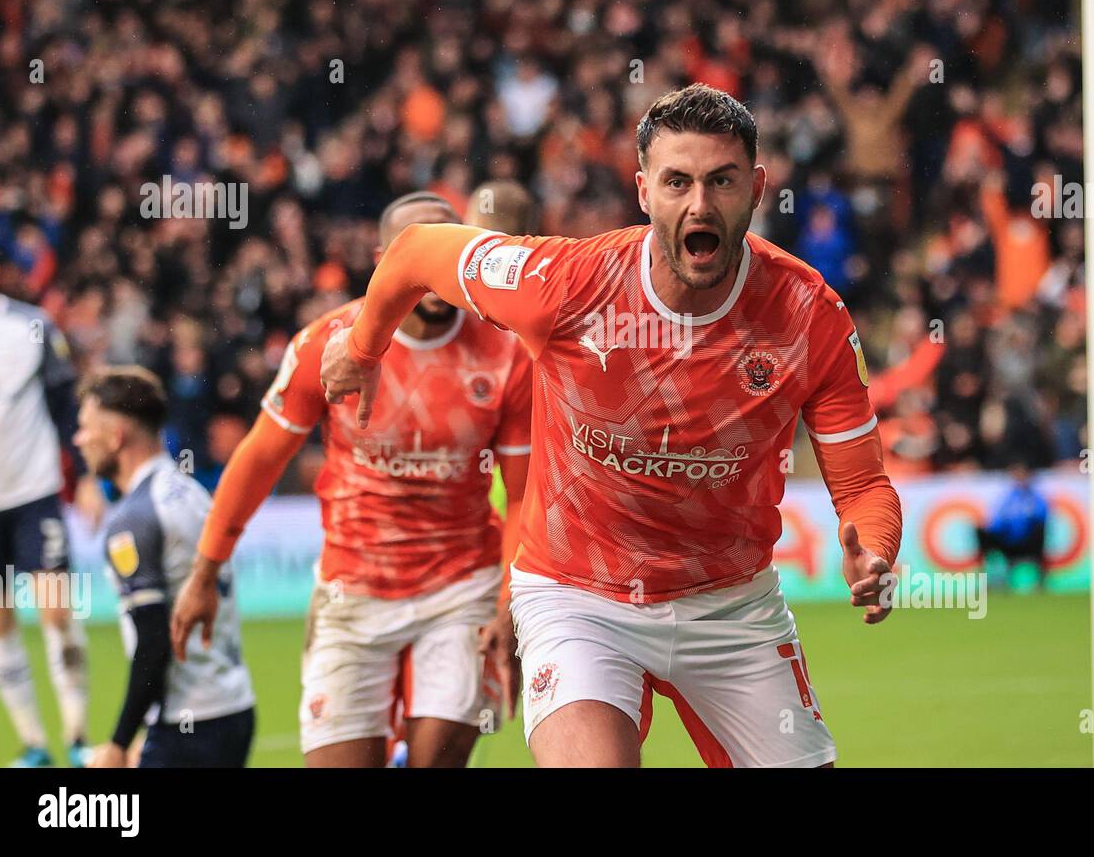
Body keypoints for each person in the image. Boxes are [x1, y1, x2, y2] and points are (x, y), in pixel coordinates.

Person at [320, 84, 904, 768]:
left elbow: (864, 485)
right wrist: (362, 348)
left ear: (758, 187)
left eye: (722, 180)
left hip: (730, 606)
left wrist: (877, 550)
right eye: (677, 181)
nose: (699, 204)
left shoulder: (812, 315)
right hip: (577, 597)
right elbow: (415, 249)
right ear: (642, 190)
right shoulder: (564, 282)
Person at [172, 192, 532, 768]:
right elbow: (260, 459)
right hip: (352, 586)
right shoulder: (328, 342)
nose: (434, 273)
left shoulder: (506, 354)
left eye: (448, 252)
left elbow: (523, 493)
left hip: (461, 587)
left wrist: (509, 606)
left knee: (437, 760)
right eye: (418, 255)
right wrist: (205, 569)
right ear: (384, 258)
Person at [73, 366, 255, 767]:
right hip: (230, 705)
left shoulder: (133, 518)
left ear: (116, 436)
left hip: (188, 724)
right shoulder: (190, 492)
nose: (78, 439)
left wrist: (119, 743)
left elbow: (153, 640)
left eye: (86, 427)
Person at [0, 233, 91, 767]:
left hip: (34, 496)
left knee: (57, 610)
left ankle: (76, 738)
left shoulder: (29, 326)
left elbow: (66, 407)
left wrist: (91, 478)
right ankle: (33, 744)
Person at [976, 465, 1049, 588]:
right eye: (1017, 476)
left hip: (1028, 541)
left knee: (1038, 532)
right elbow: (997, 522)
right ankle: (991, 579)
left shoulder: (1035, 498)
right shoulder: (1007, 498)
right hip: (1007, 540)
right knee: (981, 531)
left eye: (1022, 476)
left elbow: (1042, 515)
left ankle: (1039, 580)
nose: (1019, 479)